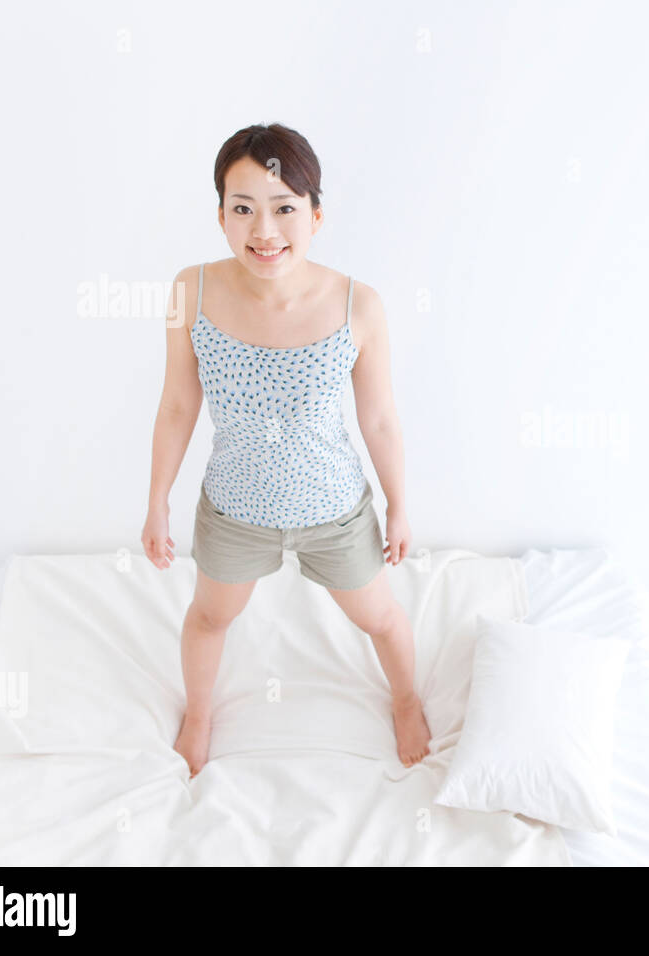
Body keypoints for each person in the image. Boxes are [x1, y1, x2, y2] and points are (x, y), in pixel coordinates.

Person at [140, 122, 430, 777]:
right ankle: (201, 714)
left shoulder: (360, 305)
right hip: (235, 508)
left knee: (381, 617)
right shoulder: (191, 292)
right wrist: (156, 502)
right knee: (211, 618)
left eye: (283, 209)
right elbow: (178, 405)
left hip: (334, 511)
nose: (263, 231)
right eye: (242, 209)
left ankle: (407, 699)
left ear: (316, 215)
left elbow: (380, 419)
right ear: (220, 216)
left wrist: (399, 507)